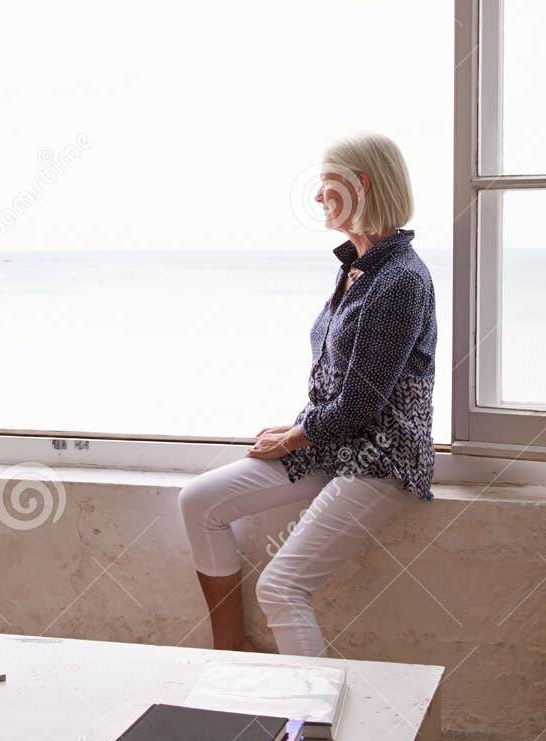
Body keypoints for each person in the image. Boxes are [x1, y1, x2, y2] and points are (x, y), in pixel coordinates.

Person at [177, 134, 436, 656]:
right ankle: (230, 654)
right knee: (199, 500)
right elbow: (343, 383)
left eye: (326, 183)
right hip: (333, 441)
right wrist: (299, 428)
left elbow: (363, 405)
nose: (318, 196)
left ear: (359, 186)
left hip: (378, 459)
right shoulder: (356, 268)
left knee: (281, 587)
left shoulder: (400, 281)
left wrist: (297, 434)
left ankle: (312, 724)